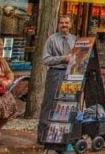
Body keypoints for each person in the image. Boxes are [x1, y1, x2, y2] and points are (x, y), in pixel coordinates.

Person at [38, 15, 76, 144]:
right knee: (50, 104)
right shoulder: (52, 39)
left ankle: (62, 136)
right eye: (61, 23)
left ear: (70, 24)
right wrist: (63, 58)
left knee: (67, 104)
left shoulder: (74, 39)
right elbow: (45, 59)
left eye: (66, 22)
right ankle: (43, 136)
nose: (64, 25)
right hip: (56, 74)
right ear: (58, 24)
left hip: (71, 75)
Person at [0, 38, 17, 149]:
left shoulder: (2, 61)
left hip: (1, 88)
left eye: (1, 46)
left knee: (11, 104)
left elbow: (9, 72)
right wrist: (0, 81)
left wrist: (9, 80)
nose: (1, 48)